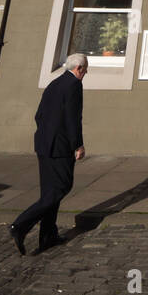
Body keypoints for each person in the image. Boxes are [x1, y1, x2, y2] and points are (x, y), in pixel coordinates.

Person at [10, 54, 87, 255]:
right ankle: (20, 225)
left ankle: (48, 236)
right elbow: (72, 119)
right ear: (78, 68)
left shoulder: (54, 83)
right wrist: (77, 144)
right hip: (60, 147)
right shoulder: (73, 86)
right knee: (61, 187)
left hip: (43, 144)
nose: (86, 73)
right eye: (85, 69)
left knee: (49, 192)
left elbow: (39, 115)